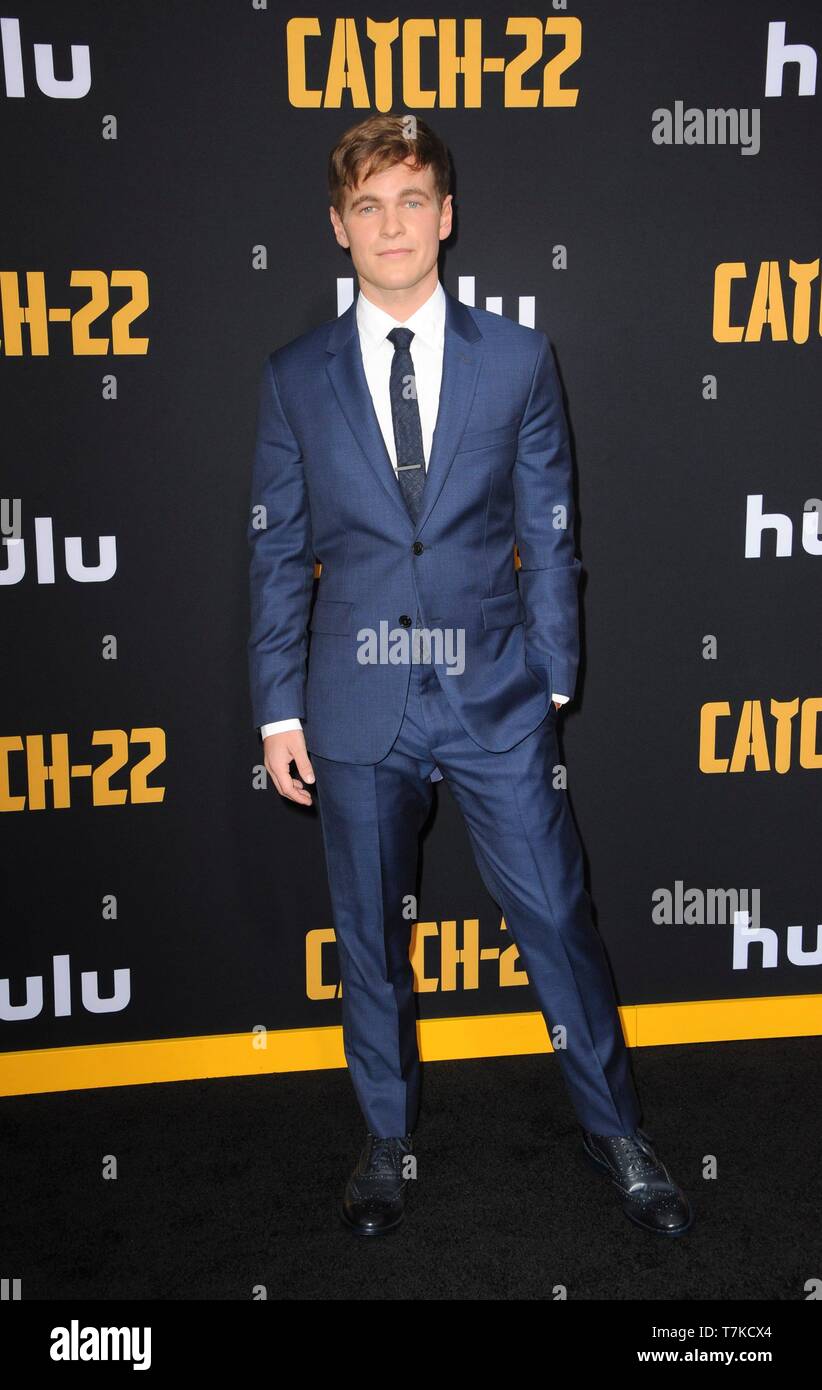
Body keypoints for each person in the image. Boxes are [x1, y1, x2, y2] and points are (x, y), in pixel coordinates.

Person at [247, 112, 692, 1238]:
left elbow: (551, 523)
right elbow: (275, 545)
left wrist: (550, 678)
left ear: (445, 216)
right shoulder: (296, 377)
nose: (390, 224)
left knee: (556, 914)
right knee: (368, 938)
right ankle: (388, 1137)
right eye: (367, 205)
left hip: (495, 696)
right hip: (355, 703)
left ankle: (614, 1128)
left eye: (411, 200)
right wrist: (278, 706)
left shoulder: (519, 359)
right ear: (337, 227)